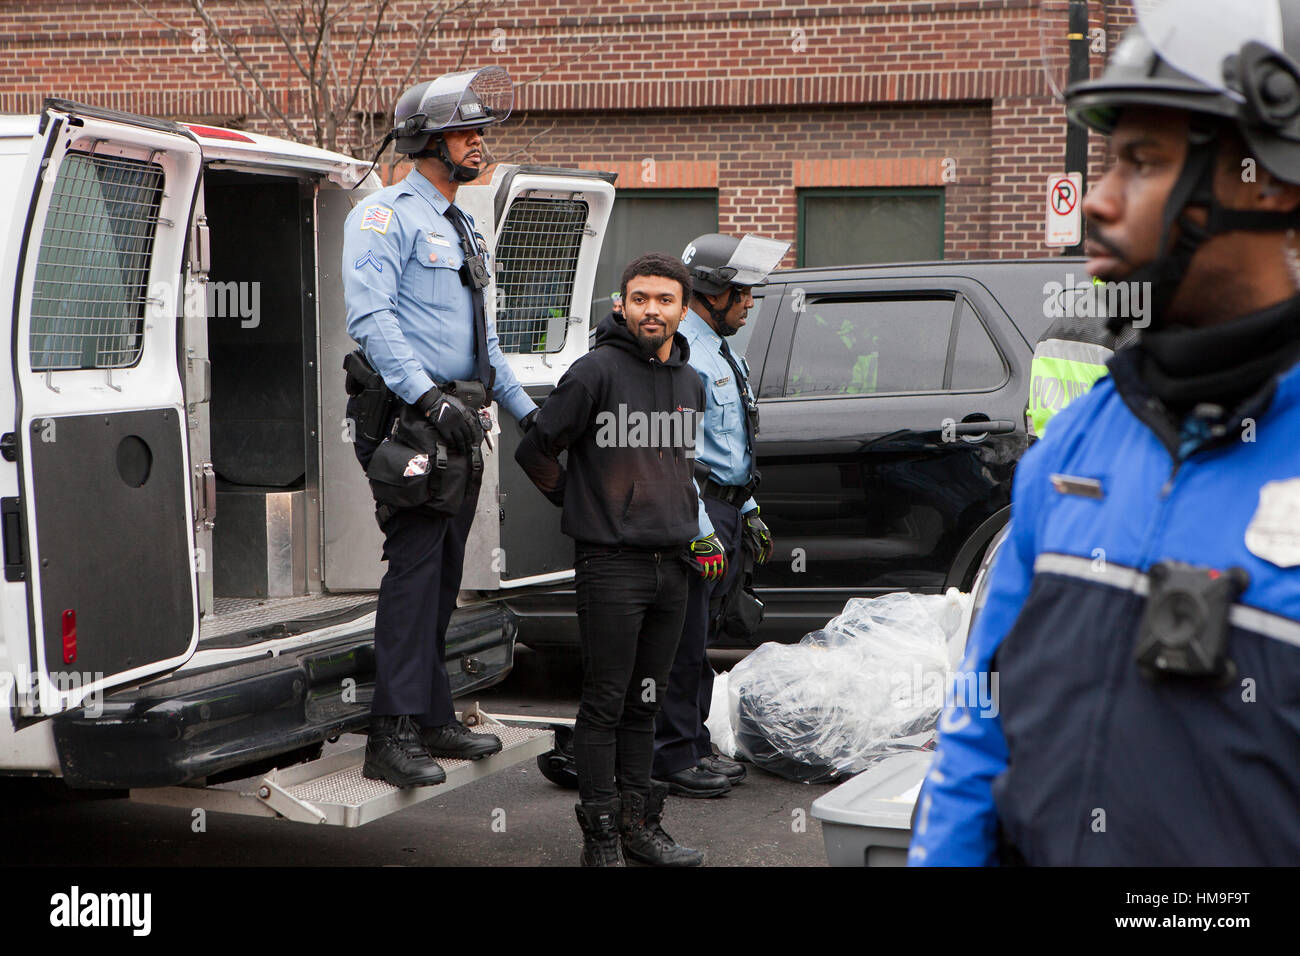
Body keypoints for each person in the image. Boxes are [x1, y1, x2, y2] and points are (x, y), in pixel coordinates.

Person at [909, 0, 1300, 865]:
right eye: (1104, 163)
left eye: (1143, 163)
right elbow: (981, 719)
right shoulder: (1077, 446)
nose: (1099, 202)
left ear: (1263, 177)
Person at [342, 67, 538, 788]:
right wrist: (428, 401)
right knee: (414, 577)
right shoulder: (383, 216)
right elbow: (372, 319)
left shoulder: (464, 223)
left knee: (444, 580)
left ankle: (431, 715)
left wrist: (530, 418)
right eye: (465, 131)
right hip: (410, 423)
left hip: (459, 421)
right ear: (427, 139)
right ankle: (387, 735)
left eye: (481, 131)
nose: (479, 143)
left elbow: (484, 345)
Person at [516, 252, 726, 866]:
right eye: (640, 299)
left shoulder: (691, 382)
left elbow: (681, 468)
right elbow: (536, 450)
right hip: (611, 564)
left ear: (684, 310)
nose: (651, 310)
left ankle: (641, 828)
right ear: (622, 304)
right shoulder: (593, 372)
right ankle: (600, 838)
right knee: (605, 703)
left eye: (664, 300)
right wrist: (581, 500)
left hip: (675, 564)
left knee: (647, 701)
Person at [651, 233, 788, 797]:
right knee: (680, 641)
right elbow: (672, 455)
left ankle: (694, 744)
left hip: (727, 507)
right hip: (697, 511)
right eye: (742, 292)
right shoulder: (681, 353)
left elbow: (732, 440)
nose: (750, 303)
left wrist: (748, 509)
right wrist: (703, 530)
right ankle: (673, 756)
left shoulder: (720, 346)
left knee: (700, 636)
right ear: (711, 292)